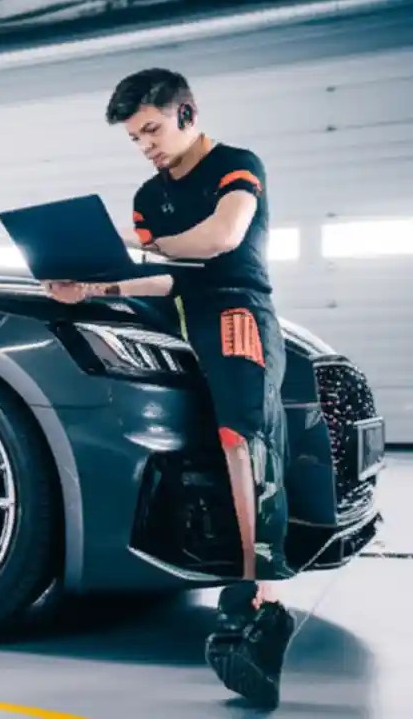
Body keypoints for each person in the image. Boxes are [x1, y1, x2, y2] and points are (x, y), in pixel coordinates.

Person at [41, 68, 296, 709]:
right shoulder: (147, 196)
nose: (146, 145)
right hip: (177, 319)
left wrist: (132, 248)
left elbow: (222, 239)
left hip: (236, 310)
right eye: (134, 138)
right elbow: (161, 279)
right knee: (201, 449)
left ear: (186, 112)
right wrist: (94, 287)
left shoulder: (238, 165)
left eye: (151, 129)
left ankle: (263, 599)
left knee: (245, 441)